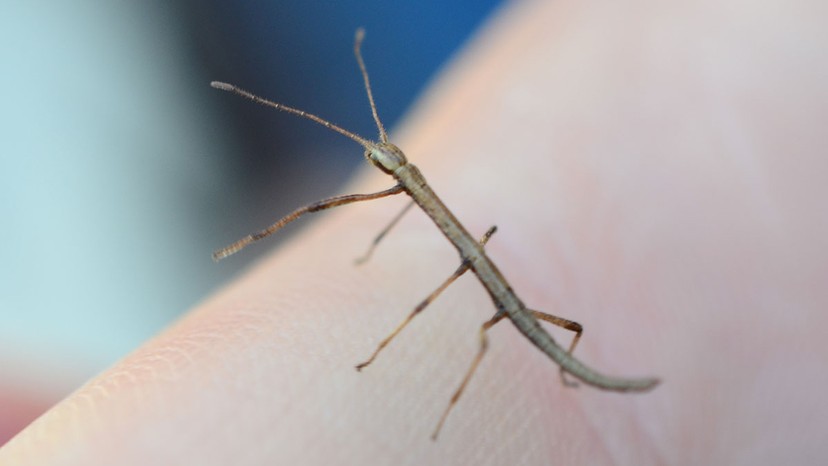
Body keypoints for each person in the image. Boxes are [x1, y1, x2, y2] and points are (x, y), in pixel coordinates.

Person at [2, 0, 825, 463]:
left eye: (384, 159)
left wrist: (380, 346)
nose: (381, 162)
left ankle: (559, 376)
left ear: (401, 173)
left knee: (461, 318)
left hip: (501, 291)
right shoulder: (409, 187)